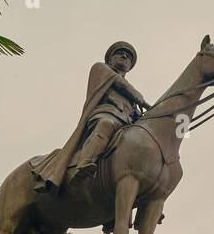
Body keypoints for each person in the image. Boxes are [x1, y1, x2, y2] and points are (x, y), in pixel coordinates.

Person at [33, 41, 152, 192]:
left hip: (126, 124)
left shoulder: (131, 99)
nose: (124, 56)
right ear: (109, 59)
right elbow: (122, 85)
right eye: (120, 53)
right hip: (106, 114)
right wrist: (145, 102)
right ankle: (84, 163)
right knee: (106, 124)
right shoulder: (101, 69)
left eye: (128, 56)